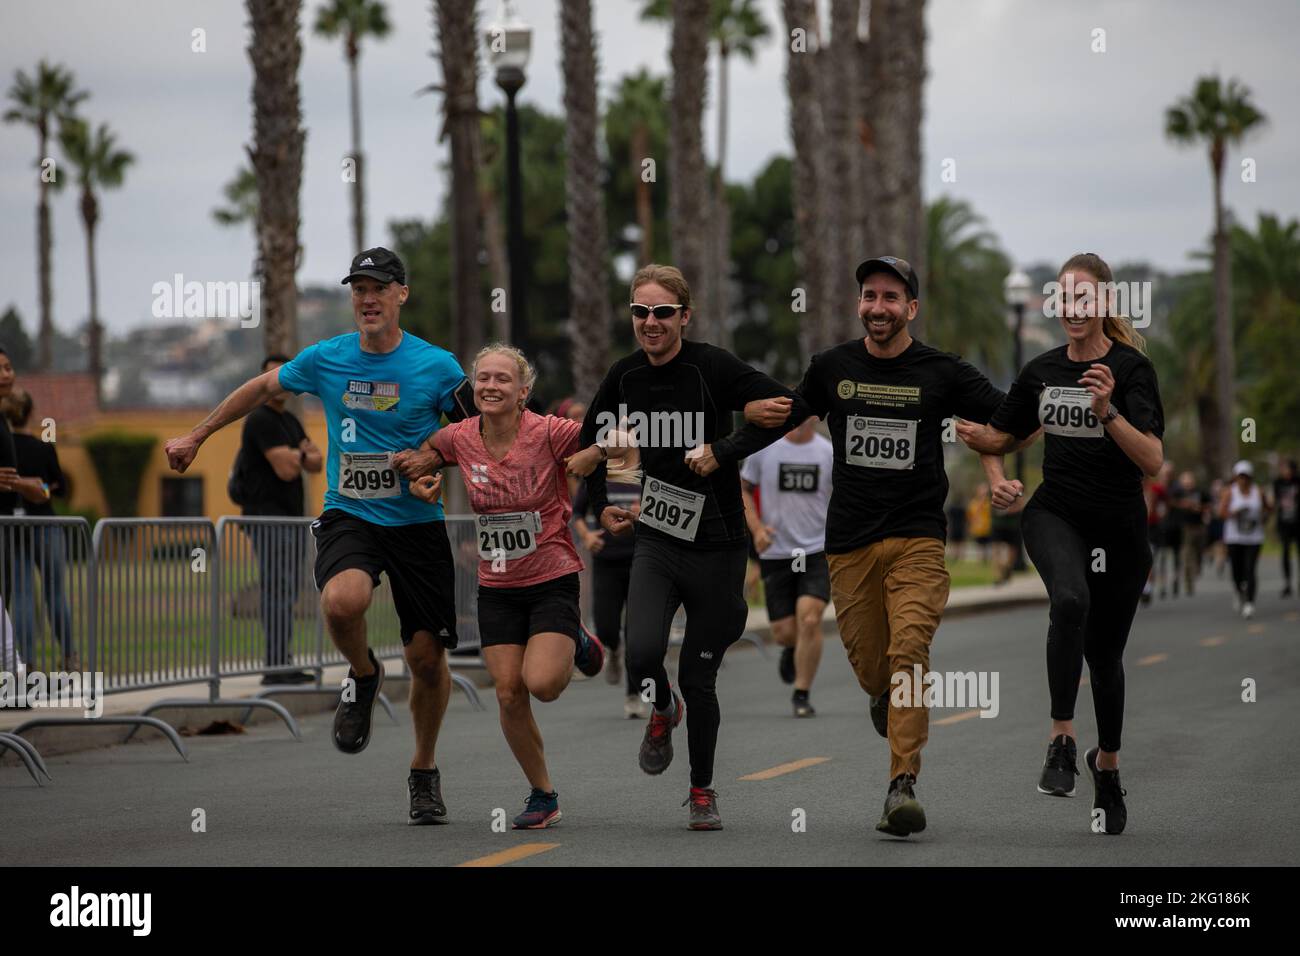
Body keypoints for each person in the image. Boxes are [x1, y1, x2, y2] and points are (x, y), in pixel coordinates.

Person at [165, 247, 475, 826]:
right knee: (342, 598)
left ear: (401, 294)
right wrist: (198, 434)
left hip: (415, 525)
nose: (367, 298)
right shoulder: (326, 358)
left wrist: (432, 459)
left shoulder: (436, 366)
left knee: (428, 659)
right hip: (349, 514)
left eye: (379, 287)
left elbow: (475, 434)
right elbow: (260, 389)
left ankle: (424, 771)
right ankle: (362, 673)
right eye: (358, 288)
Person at [751, 255, 1009, 837]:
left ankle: (902, 785)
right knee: (874, 669)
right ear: (859, 304)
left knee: (909, 653)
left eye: (892, 297)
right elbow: (777, 420)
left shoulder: (941, 371)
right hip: (849, 543)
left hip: (919, 536)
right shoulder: (832, 367)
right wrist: (718, 453)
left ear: (911, 308)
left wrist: (1003, 445)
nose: (878, 307)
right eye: (870, 295)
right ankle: (881, 697)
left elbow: (1004, 412)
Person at [568, 263, 813, 831]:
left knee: (701, 679)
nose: (650, 323)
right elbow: (593, 441)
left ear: (685, 315)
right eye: (639, 312)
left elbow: (790, 408)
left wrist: (723, 451)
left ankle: (702, 790)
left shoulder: (712, 368)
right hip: (658, 537)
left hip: (720, 545)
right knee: (646, 652)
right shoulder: (625, 376)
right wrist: (602, 499)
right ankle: (661, 707)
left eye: (662, 312)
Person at [959, 252, 1164, 836]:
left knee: (1104, 658)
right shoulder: (1042, 371)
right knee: (1069, 602)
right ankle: (1060, 740)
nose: (1072, 309)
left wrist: (1107, 412)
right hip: (1056, 514)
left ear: (1104, 305)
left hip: (1120, 529)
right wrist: (997, 478)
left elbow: (1151, 460)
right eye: (1064, 300)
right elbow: (997, 434)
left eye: (1083, 299)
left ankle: (1108, 767)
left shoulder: (1131, 372)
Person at [409, 344, 607, 829]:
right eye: (482, 379)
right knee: (508, 693)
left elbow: (617, 439)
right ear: (473, 388)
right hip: (496, 585)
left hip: (552, 577)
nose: (490, 386)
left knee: (541, 685)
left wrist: (594, 456)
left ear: (524, 392)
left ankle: (578, 638)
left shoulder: (549, 432)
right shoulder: (459, 437)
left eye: (502, 379)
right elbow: (425, 456)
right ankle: (543, 794)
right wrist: (421, 478)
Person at [235, 354, 324, 684]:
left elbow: (317, 462)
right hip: (267, 519)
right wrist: (299, 454)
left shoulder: (290, 420)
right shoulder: (259, 420)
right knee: (276, 589)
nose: (276, 381)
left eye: (282, 375)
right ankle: (274, 666)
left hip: (292, 519)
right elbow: (287, 469)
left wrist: (298, 455)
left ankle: (283, 660)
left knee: (287, 589)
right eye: (269, 375)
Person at [740, 415, 833, 718]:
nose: (798, 421)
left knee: (809, 619)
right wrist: (756, 530)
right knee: (783, 632)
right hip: (777, 551)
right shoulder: (764, 449)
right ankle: (792, 649)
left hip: (816, 550)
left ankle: (802, 692)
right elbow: (742, 489)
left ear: (815, 417)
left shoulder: (828, 452)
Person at [572, 424, 645, 718]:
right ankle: (613, 650)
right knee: (606, 626)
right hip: (606, 559)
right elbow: (577, 514)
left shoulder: (647, 472)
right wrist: (587, 537)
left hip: (641, 559)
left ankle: (634, 694)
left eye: (630, 430)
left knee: (637, 632)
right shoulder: (599, 471)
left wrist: (646, 511)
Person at [1, 387, 76, 670]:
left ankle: (26, 662)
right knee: (55, 592)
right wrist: (44, 487)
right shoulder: (43, 446)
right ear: (31, 413)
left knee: (21, 594)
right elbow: (59, 488)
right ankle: (70, 657)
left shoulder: (6, 446)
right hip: (45, 523)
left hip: (15, 526)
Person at [1219, 460, 1268, 619]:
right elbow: (1221, 513)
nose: (1243, 480)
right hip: (1235, 537)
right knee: (1237, 571)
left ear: (1250, 477)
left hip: (1254, 537)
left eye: (1246, 477)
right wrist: (1235, 513)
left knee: (1250, 569)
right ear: (1236, 477)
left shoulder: (1258, 492)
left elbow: (1268, 509)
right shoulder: (1230, 492)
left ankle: (1249, 603)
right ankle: (1240, 592)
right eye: (1240, 477)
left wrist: (1263, 517)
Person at [1169, 470, 1209, 597]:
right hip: (1186, 527)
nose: (1188, 484)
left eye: (1189, 481)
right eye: (1185, 482)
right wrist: (1184, 505)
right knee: (1186, 555)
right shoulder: (1178, 493)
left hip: (1200, 526)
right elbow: (1171, 503)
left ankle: (1198, 566)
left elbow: (1208, 505)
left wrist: (1200, 508)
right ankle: (1188, 584)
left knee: (1199, 551)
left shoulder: (1200, 492)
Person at [1273, 459, 1299, 597]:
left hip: (1297, 522)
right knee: (1285, 553)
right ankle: (1287, 583)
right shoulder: (1278, 482)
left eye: (1287, 469)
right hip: (1284, 523)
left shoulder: (1298, 481)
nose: (1285, 472)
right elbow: (1276, 502)